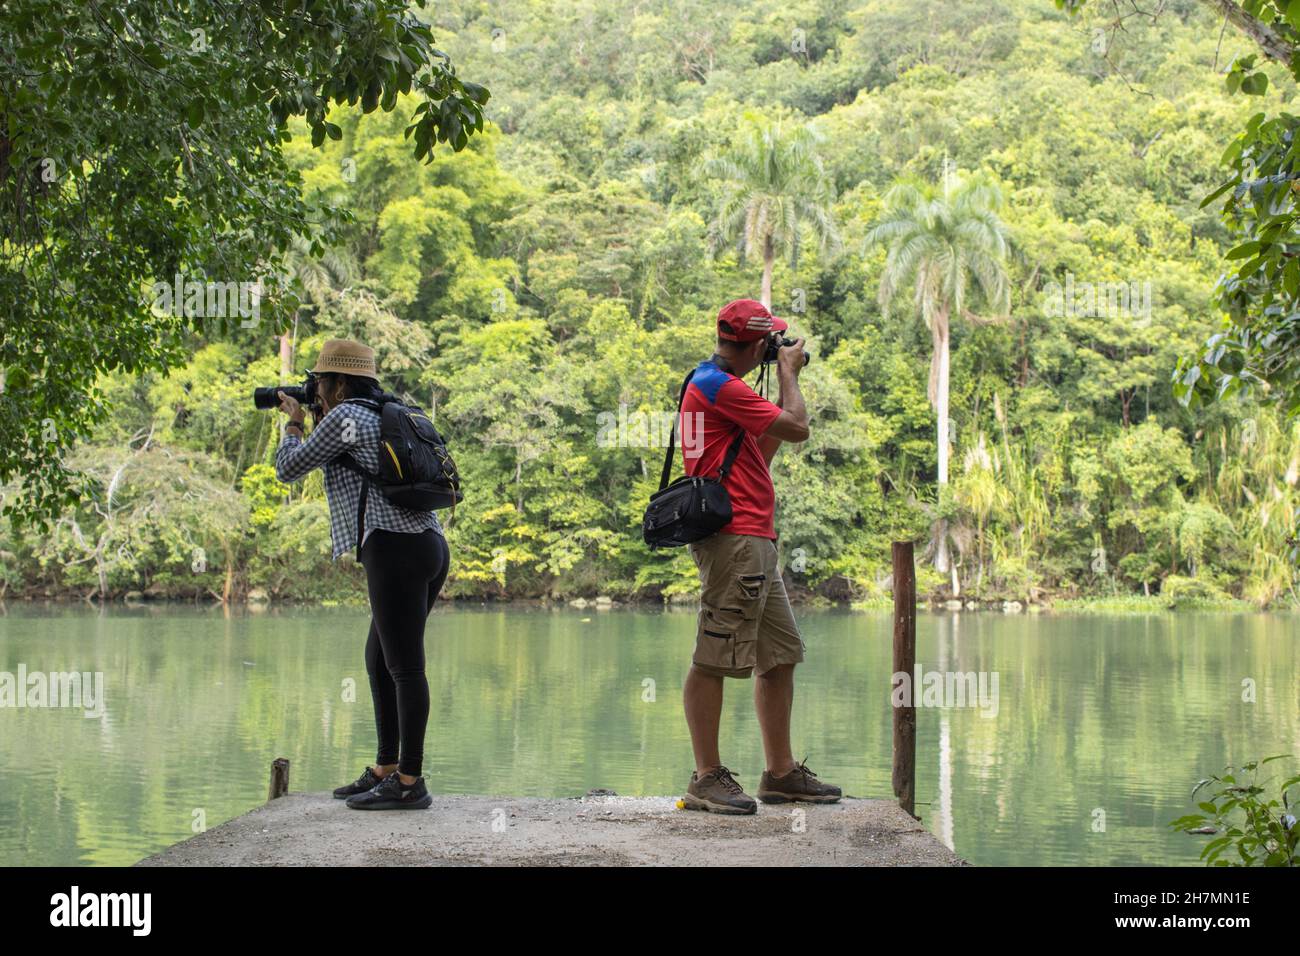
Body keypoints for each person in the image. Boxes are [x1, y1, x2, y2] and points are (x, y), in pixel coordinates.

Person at [679, 299, 842, 814]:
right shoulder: (716, 386)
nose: (776, 348)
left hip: (755, 538)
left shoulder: (724, 389)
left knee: (779, 655)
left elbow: (762, 454)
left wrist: (776, 389)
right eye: (770, 341)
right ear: (754, 345)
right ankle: (706, 777)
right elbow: (797, 427)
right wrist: (791, 374)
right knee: (714, 656)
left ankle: (780, 773)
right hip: (734, 538)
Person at [274, 338, 449, 811]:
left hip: (394, 549)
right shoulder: (388, 413)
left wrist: (292, 420)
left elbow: (288, 468)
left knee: (405, 667)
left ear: (340, 382)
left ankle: (411, 781)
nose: (316, 391)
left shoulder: (346, 418)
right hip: (430, 545)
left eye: (320, 383)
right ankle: (387, 768)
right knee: (379, 658)